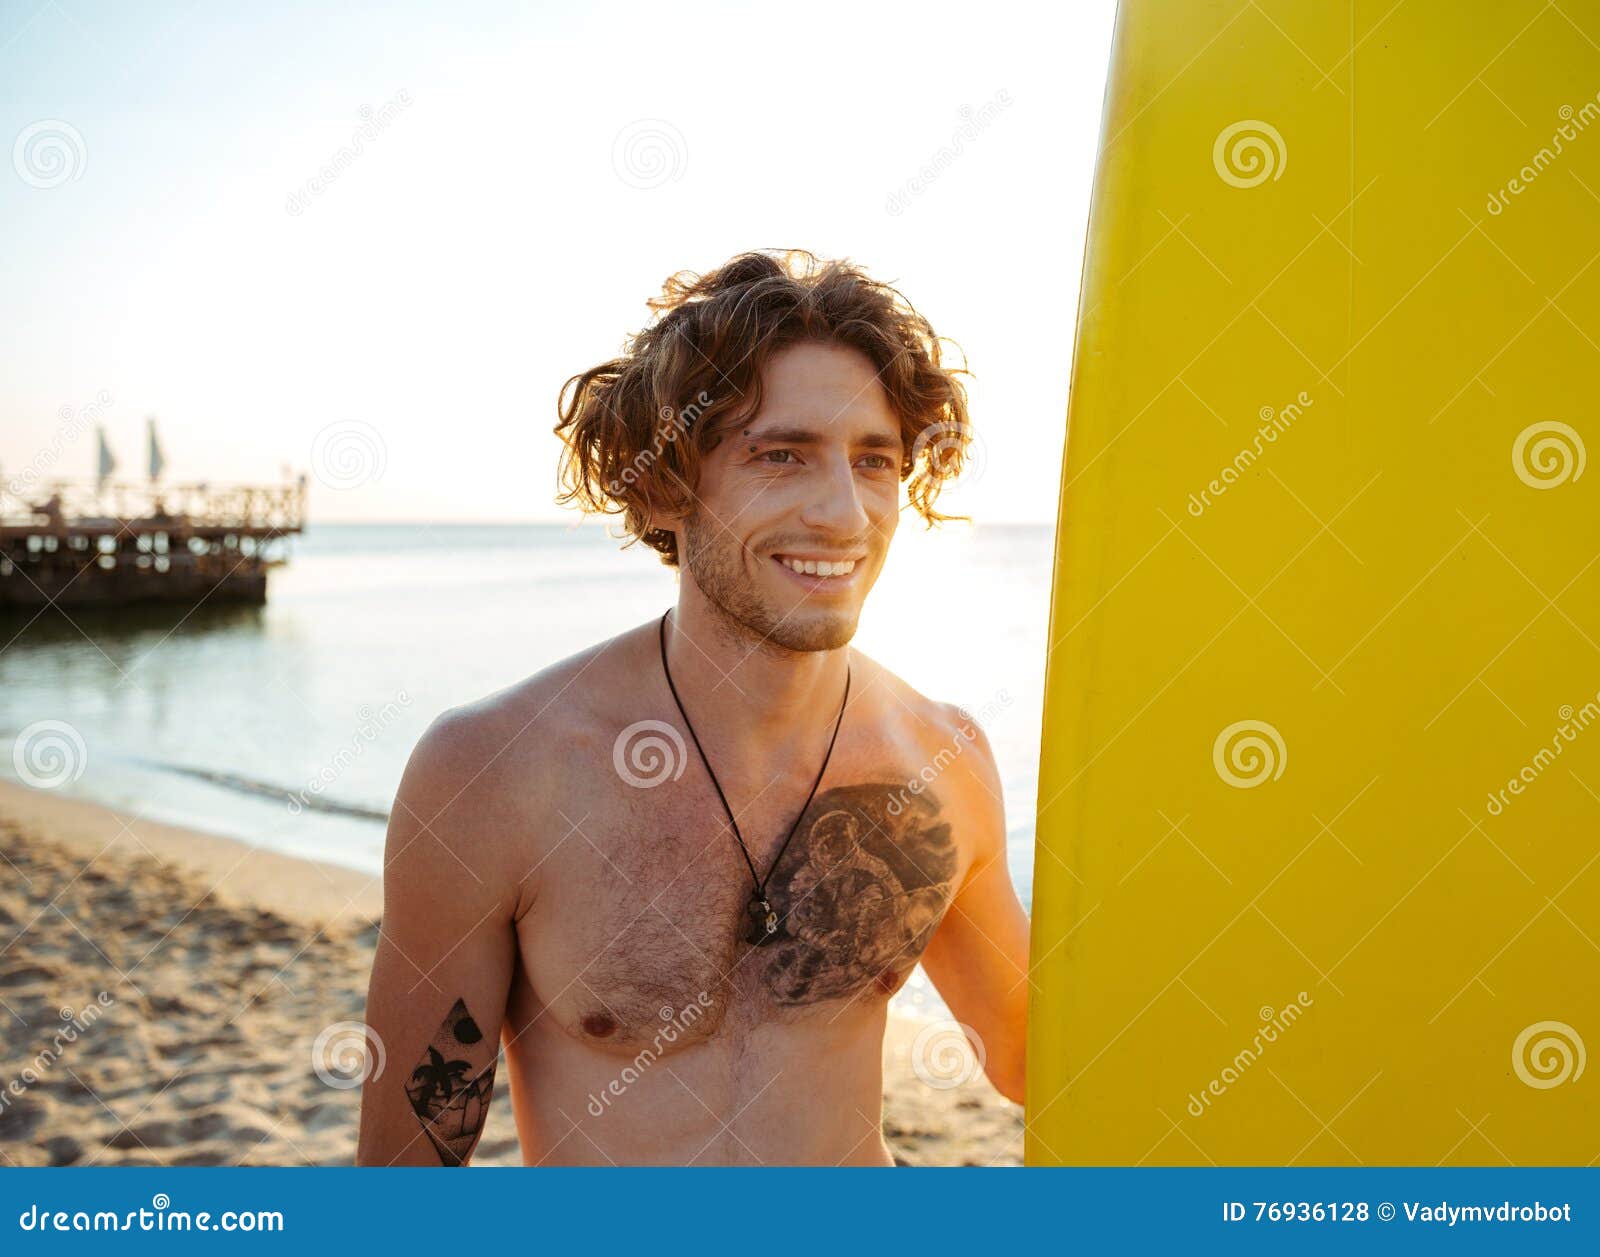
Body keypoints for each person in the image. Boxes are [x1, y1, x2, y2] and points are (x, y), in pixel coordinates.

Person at [356, 250, 1030, 1166]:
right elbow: (407, 1172)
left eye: (875, 462)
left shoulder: (939, 759)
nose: (845, 512)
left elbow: (1039, 1060)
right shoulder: (495, 770)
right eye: (781, 455)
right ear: (664, 485)